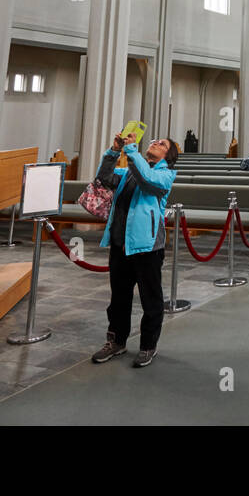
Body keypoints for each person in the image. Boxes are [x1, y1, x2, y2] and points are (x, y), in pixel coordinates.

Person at [91, 133, 179, 368]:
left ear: (168, 157)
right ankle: (116, 341)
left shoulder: (166, 174)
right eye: (155, 140)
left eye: (162, 144)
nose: (155, 143)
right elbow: (104, 178)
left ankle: (148, 345)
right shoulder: (130, 170)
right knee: (119, 297)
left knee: (151, 299)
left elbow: (148, 180)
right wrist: (113, 151)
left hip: (147, 246)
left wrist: (131, 151)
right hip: (121, 243)